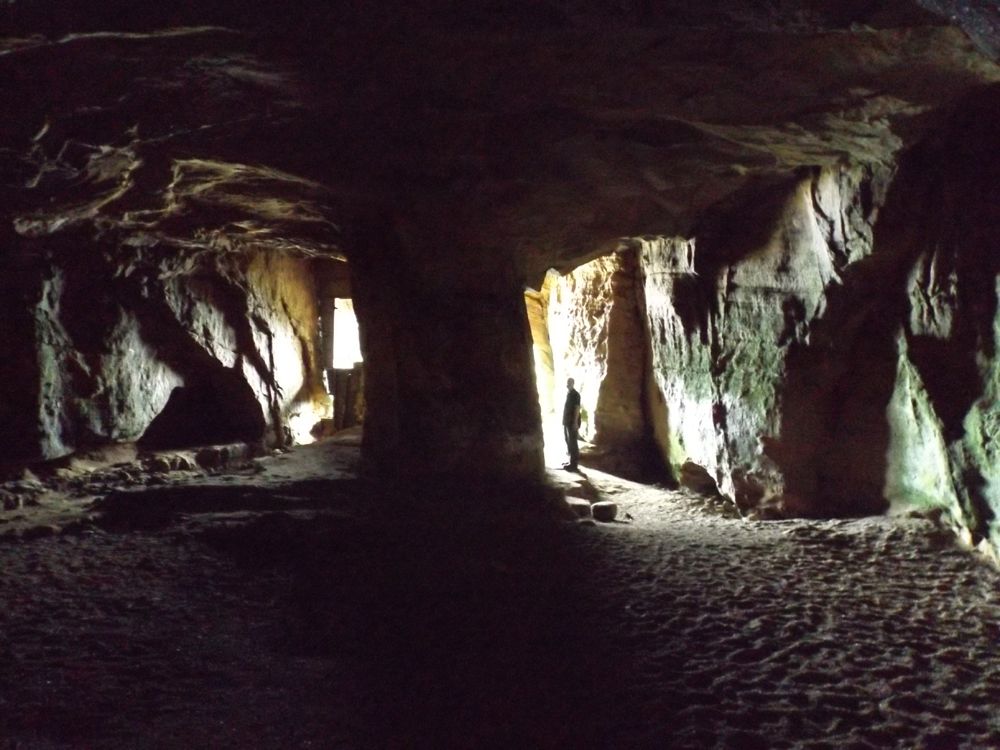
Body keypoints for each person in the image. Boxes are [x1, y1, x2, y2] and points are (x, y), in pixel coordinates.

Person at [562, 377, 581, 471]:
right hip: (567, 422)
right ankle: (571, 461)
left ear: (573, 383)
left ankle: (574, 465)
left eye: (569, 383)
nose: (567, 384)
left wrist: (575, 422)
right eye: (567, 383)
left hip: (571, 422)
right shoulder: (569, 394)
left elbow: (577, 408)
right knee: (569, 441)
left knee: (573, 443)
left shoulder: (575, 395)